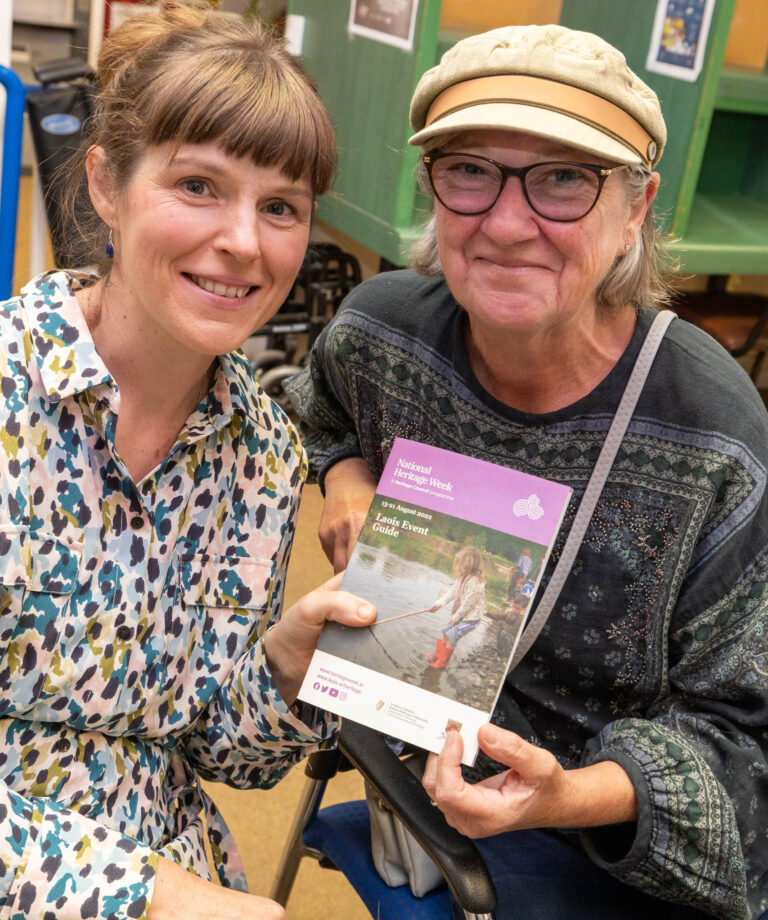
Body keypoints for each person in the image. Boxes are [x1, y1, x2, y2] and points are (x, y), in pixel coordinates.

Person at [286, 22, 768, 920]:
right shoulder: (381, 331)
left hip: (610, 823)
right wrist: (348, 477)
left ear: (636, 206)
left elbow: (746, 742)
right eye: (470, 170)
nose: (507, 224)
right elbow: (320, 410)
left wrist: (572, 795)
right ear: (431, 183)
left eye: (564, 179)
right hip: (426, 760)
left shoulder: (713, 434)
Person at [0, 7, 378, 919]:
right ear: (104, 186)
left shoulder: (263, 452)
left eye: (280, 206)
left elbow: (219, 755)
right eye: (199, 186)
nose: (245, 242)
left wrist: (285, 671)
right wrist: (153, 895)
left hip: (180, 861)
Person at [426, 545, 486, 669]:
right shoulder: (463, 578)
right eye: (458, 562)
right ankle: (438, 655)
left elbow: (467, 604)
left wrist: (455, 617)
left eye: (461, 563)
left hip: (471, 619)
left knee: (453, 634)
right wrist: (438, 605)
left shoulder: (475, 582)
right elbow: (452, 593)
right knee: (446, 632)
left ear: (469, 565)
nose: (458, 566)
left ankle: (443, 662)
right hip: (460, 615)